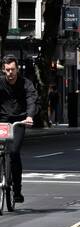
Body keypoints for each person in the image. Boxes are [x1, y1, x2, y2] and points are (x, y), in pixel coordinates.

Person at [0, 56, 37, 205]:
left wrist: (29, 116)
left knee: (14, 152)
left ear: (17, 69)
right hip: (2, 121)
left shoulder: (26, 84)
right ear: (4, 69)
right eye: (7, 70)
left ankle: (17, 190)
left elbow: (31, 99)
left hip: (19, 121)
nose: (10, 73)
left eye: (13, 70)